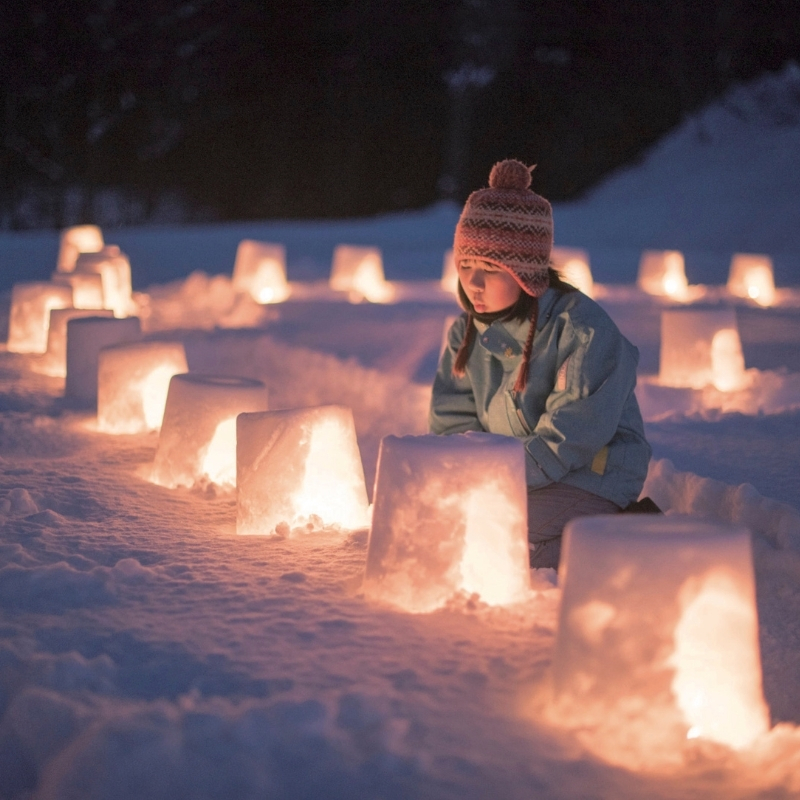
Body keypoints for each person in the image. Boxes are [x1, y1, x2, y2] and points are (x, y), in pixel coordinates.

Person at [429, 159, 651, 569]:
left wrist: (491, 483)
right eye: (465, 266)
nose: (473, 284)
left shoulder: (582, 331)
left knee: (488, 532)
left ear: (526, 272)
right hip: (517, 478)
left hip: (592, 476)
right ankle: (582, 546)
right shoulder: (466, 334)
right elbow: (452, 420)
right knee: (447, 523)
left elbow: (571, 436)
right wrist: (461, 476)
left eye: (491, 269)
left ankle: (629, 541)